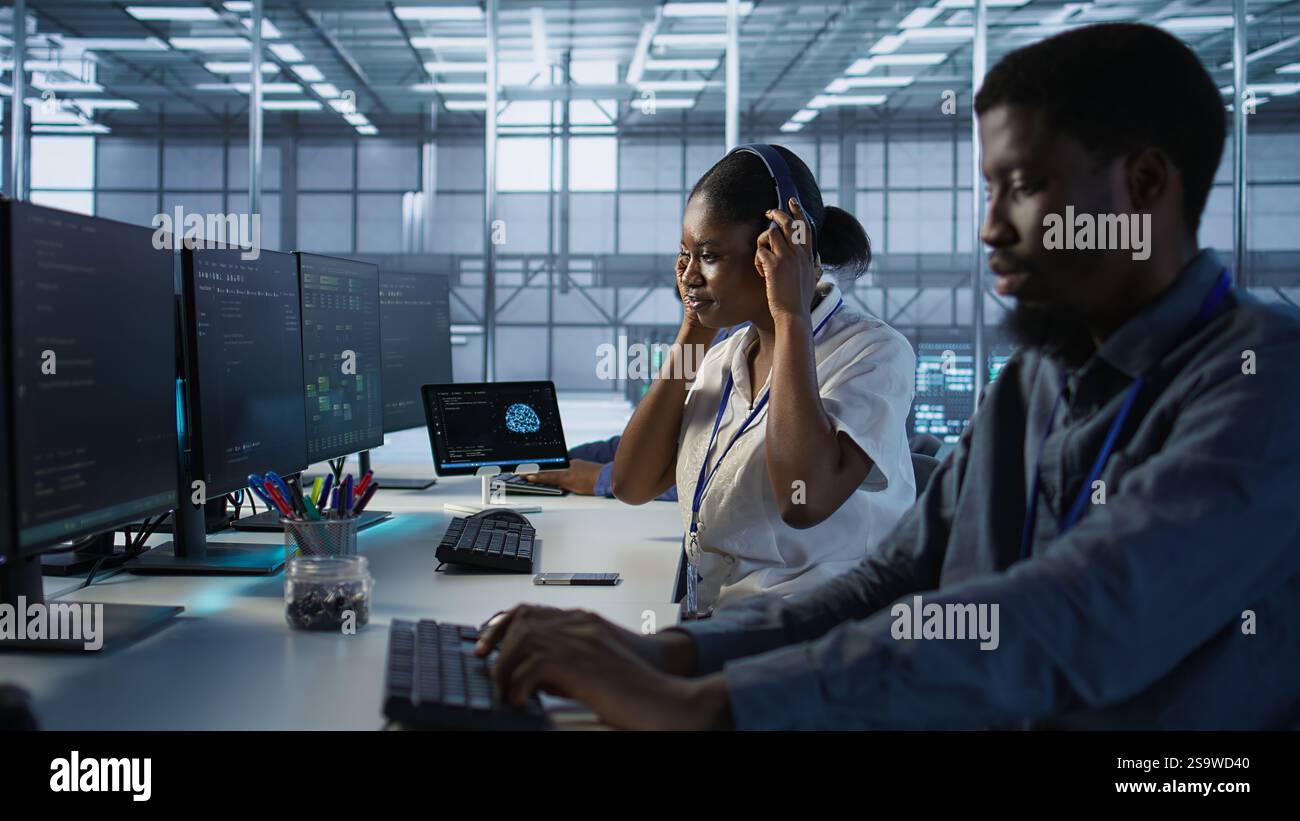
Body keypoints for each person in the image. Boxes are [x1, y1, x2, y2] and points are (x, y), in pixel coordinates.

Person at [474, 23, 1300, 730]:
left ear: (1145, 184)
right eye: (989, 188)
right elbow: (897, 576)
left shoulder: (1264, 383)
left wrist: (709, 702)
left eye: (1022, 187)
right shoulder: (1036, 386)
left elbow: (1073, 616)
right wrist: (669, 650)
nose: (989, 227)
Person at [610, 144, 916, 614]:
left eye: (710, 256)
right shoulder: (720, 359)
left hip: (819, 631)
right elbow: (631, 484)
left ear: (781, 248)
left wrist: (791, 312)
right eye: (685, 255)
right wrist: (694, 328)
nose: (689, 276)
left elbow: (805, 499)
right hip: (721, 618)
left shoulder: (875, 352)